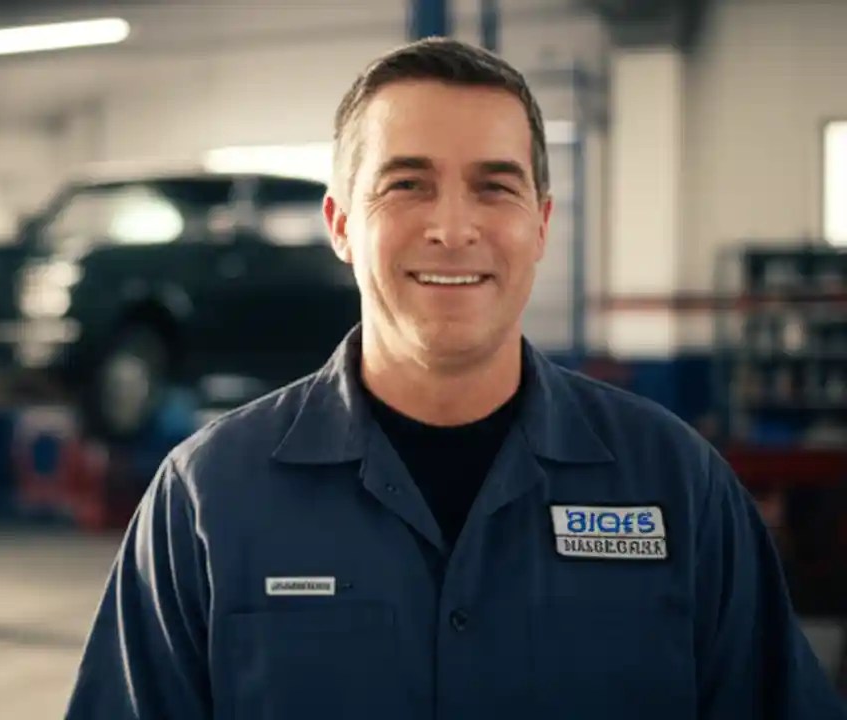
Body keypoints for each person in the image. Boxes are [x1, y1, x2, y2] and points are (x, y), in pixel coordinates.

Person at [63, 37, 847, 719]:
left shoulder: (679, 488)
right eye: (407, 184)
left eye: (493, 187)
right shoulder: (207, 499)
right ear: (341, 225)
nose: (452, 227)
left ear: (540, 225)